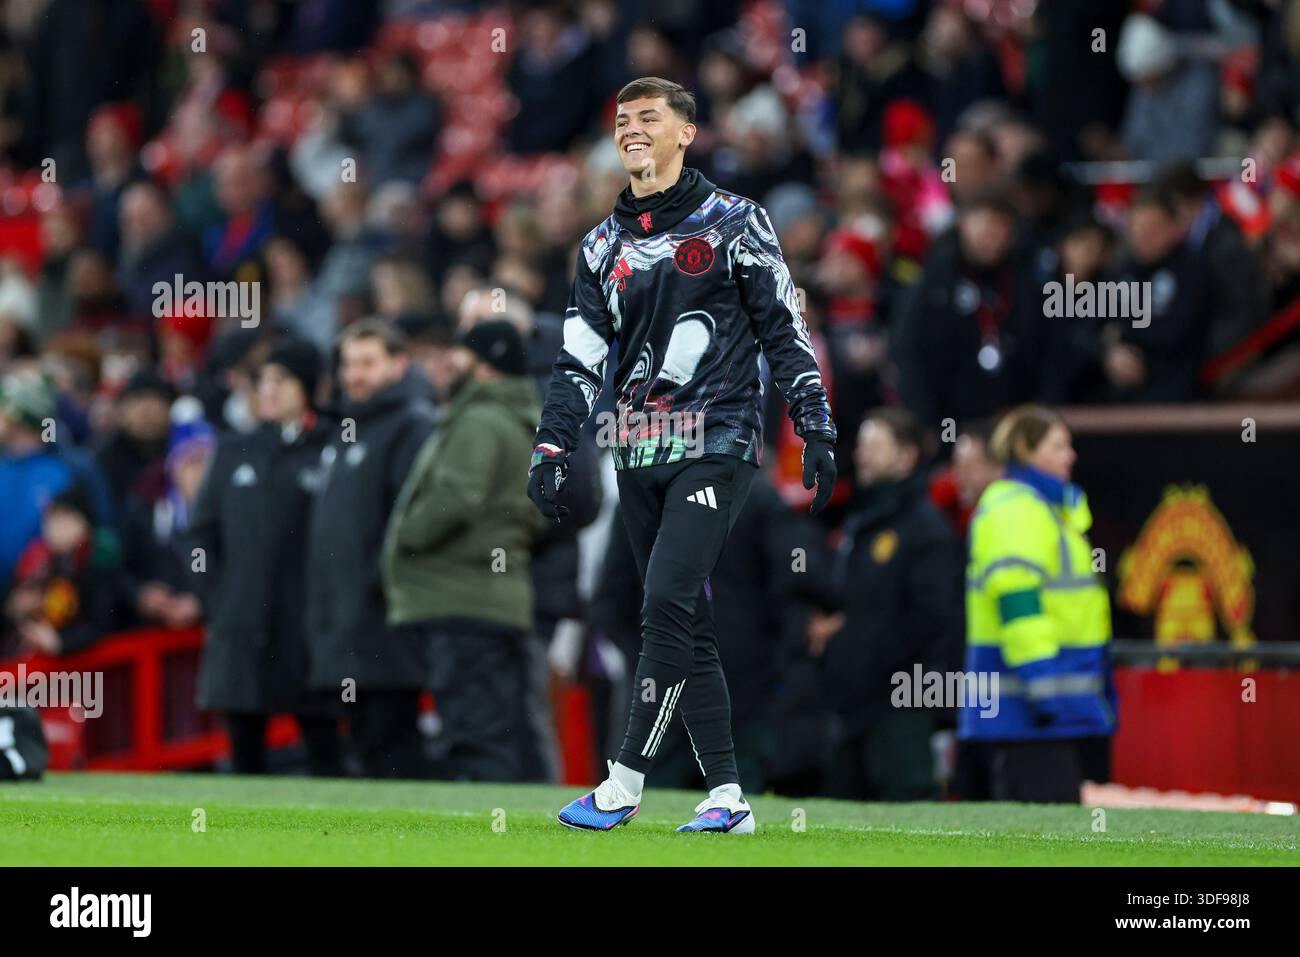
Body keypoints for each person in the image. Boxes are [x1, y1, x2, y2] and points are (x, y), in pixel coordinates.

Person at [526, 77, 836, 833]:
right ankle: (728, 796)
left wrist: (815, 421)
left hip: (718, 441)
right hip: (634, 449)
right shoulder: (599, 246)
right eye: (623, 119)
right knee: (684, 621)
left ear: (687, 132)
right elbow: (577, 362)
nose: (632, 129)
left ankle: (622, 780)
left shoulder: (736, 222)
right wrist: (552, 442)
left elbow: (783, 328)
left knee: (663, 598)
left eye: (649, 118)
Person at [383, 320, 544, 781]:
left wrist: (405, 536)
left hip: (464, 601)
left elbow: (457, 497)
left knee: (475, 735)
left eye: (463, 354)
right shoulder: (514, 420)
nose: (451, 362)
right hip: (492, 600)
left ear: (486, 367)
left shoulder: (480, 419)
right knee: (497, 730)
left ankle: (493, 838)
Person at [188, 338, 344, 776]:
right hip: (241, 632)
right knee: (244, 760)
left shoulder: (334, 447)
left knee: (325, 752)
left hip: (308, 630)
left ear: (311, 386)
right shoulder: (233, 448)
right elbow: (199, 536)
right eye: (264, 381)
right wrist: (217, 599)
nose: (270, 390)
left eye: (283, 380)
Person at [959, 405, 1117, 803]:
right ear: (1028, 451)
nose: (1071, 455)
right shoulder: (1017, 509)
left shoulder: (1040, 509)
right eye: (1059, 445)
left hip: (1042, 711)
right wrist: (1047, 689)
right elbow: (1018, 606)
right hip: (1029, 712)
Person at [808, 409, 962, 800]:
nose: (862, 455)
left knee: (909, 814)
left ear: (906, 456)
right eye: (861, 445)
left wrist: (863, 653)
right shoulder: (863, 521)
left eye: (875, 446)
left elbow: (930, 618)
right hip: (854, 703)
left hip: (901, 703)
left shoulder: (924, 528)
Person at [305, 319, 435, 778]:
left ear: (398, 365)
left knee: (394, 744)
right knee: (365, 745)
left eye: (368, 363)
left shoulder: (412, 426)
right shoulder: (345, 431)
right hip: (344, 621)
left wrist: (379, 586)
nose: (355, 375)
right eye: (348, 364)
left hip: (386, 622)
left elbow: (414, 523)